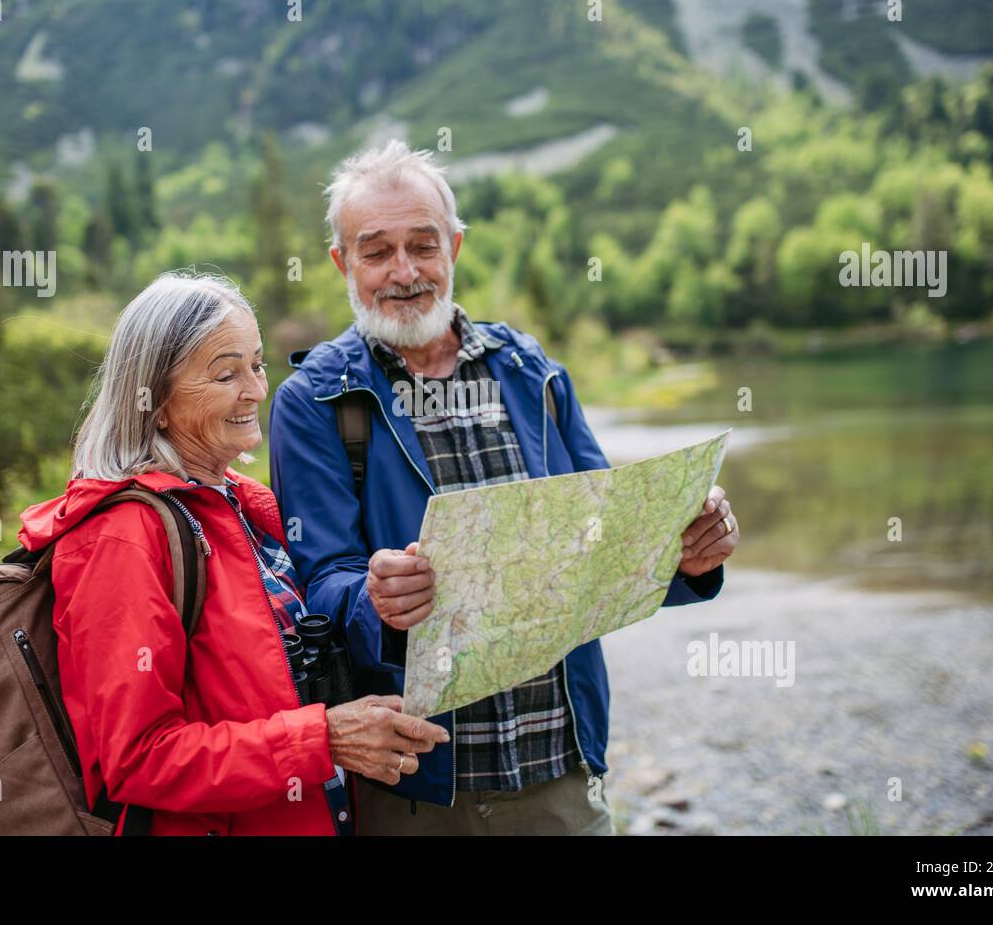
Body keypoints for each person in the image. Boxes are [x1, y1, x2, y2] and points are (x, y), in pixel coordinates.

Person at [270, 141, 740, 834]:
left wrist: (687, 557)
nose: (404, 272)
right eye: (376, 252)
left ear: (454, 247)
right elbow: (322, 580)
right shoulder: (314, 400)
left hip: (559, 770)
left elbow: (605, 541)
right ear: (343, 262)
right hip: (414, 789)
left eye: (423, 246)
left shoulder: (532, 371)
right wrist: (374, 599)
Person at [16, 270, 448, 835]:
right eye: (226, 374)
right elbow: (139, 758)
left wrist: (378, 603)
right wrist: (325, 738)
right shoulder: (120, 540)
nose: (256, 390)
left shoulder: (245, 508)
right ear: (156, 400)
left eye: (258, 363)